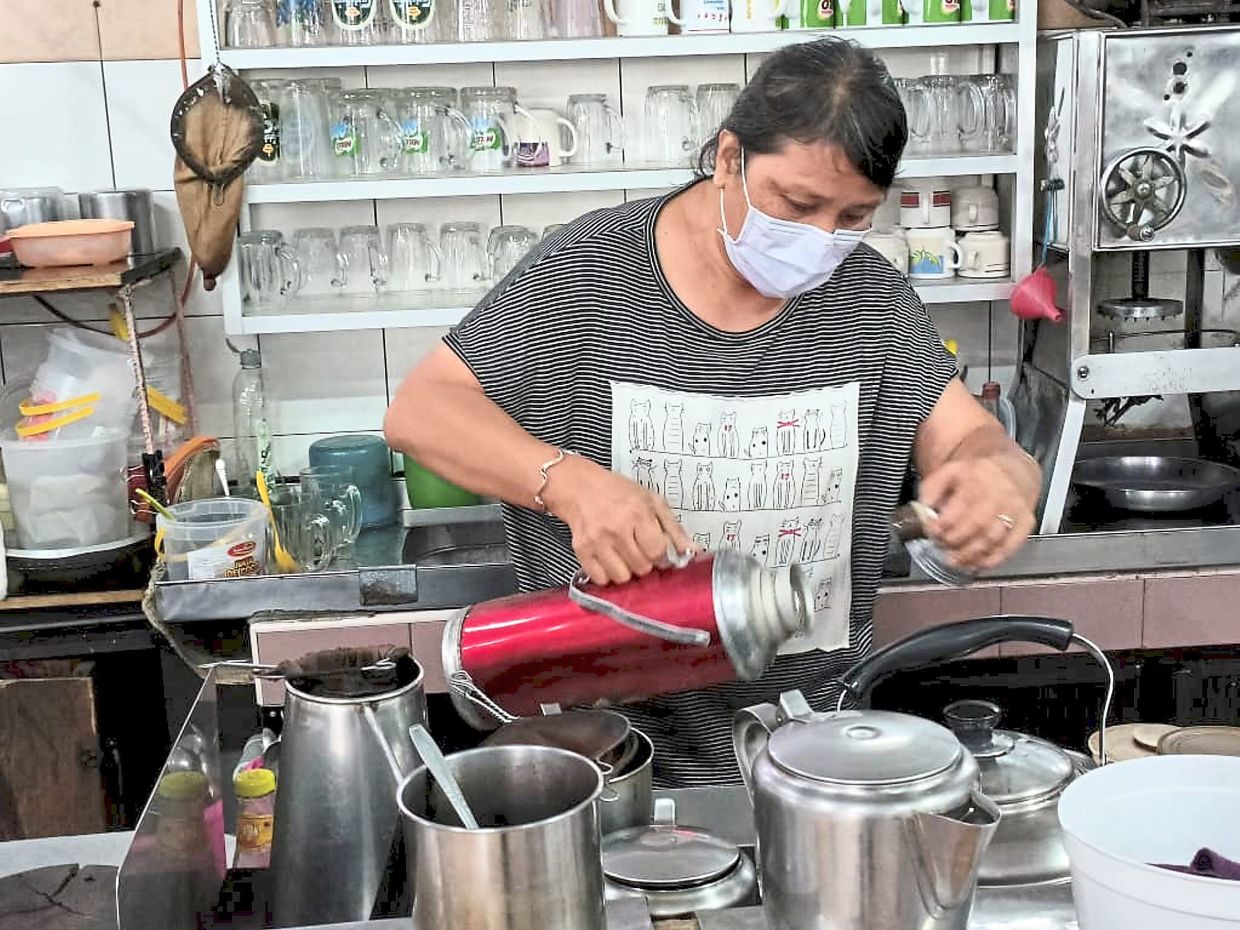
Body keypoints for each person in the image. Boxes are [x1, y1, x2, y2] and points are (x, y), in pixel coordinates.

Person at [384, 38, 1041, 787]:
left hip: (811, 761)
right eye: (797, 204)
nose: (822, 240)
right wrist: (569, 484)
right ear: (729, 157)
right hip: (607, 763)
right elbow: (421, 410)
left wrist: (996, 470)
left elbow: (969, 437)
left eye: (854, 216)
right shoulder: (588, 274)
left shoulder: (870, 298)